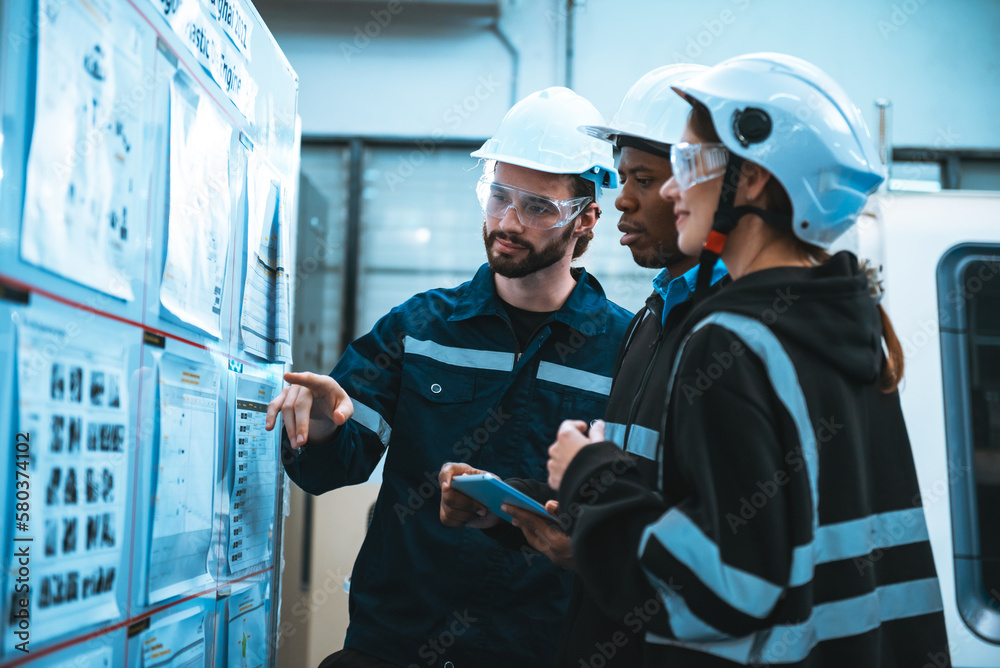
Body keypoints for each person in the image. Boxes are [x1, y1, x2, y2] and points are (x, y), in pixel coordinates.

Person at [547, 53, 951, 666]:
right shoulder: (851, 323)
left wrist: (591, 474)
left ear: (754, 180)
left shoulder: (732, 341)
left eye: (687, 163)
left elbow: (718, 591)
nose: (675, 187)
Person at [266, 86, 633, 668]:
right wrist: (325, 426)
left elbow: (629, 513)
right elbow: (333, 465)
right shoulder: (419, 328)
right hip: (397, 643)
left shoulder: (625, 351)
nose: (508, 222)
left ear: (585, 220)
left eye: (537, 206)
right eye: (498, 196)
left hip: (537, 647)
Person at [438, 64, 726, 667]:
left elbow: (730, 556)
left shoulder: (727, 335)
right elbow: (639, 498)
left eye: (644, 178)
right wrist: (518, 508)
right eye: (500, 196)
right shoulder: (654, 322)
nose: (624, 198)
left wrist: (588, 480)